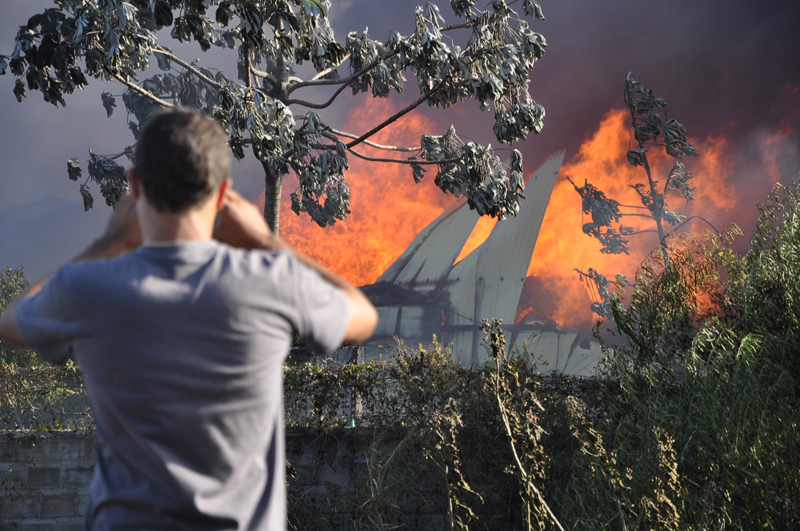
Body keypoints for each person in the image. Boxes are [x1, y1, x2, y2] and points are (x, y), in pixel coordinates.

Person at [0, 110, 378, 530]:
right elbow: (362, 315)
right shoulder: (270, 282)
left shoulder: (90, 289)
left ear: (135, 187)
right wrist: (266, 243)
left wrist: (110, 243)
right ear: (222, 196)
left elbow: (13, 319)